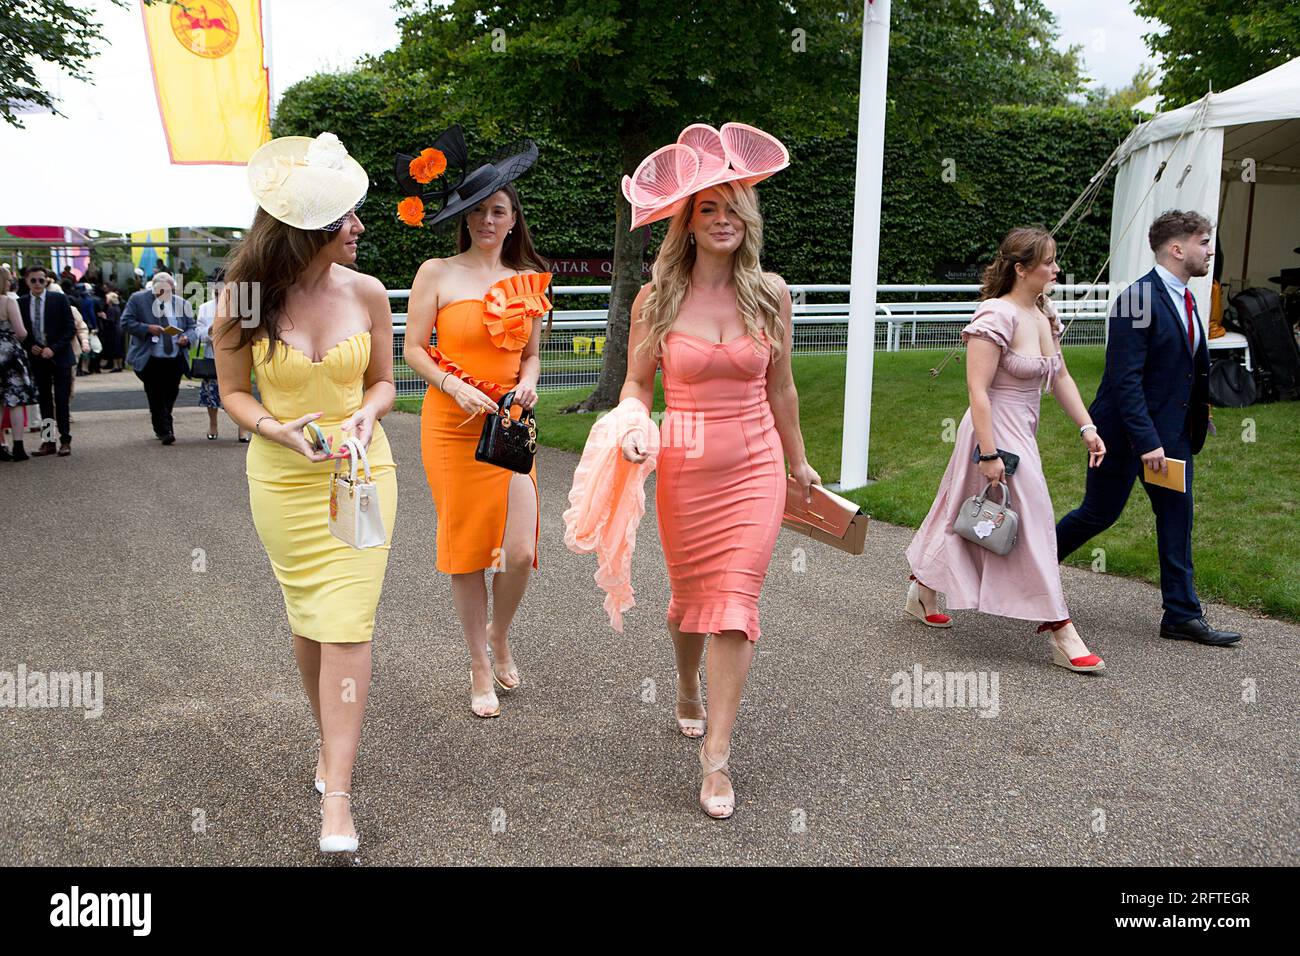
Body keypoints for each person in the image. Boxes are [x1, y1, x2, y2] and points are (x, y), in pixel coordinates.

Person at [618, 122, 817, 819]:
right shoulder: (657, 300)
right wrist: (636, 424)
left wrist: (798, 460)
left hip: (755, 463)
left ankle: (718, 760)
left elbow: (782, 388)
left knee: (736, 607)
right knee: (686, 606)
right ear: (688, 223)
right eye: (709, 207)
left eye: (735, 206)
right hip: (686, 466)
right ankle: (685, 680)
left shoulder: (771, 294)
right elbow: (638, 385)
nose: (725, 218)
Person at [214, 131, 397, 854]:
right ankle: (329, 742)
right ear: (310, 230)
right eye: (347, 217)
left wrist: (368, 411)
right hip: (283, 481)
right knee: (309, 619)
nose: (359, 227)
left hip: (360, 475)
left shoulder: (370, 292)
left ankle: (339, 799)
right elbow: (231, 393)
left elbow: (384, 380)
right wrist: (273, 426)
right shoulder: (245, 297)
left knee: (348, 621)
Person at [905, 227, 1109, 673]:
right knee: (1033, 519)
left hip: (1023, 430)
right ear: (1021, 268)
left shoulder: (1043, 314)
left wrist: (1087, 427)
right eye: (1048, 262)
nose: (1056, 269)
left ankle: (922, 587)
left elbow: (1061, 377)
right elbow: (978, 392)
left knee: (961, 511)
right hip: (991, 430)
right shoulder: (995, 315)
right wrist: (989, 454)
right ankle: (1060, 628)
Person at [399, 127, 551, 719]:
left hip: (509, 426)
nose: (489, 221)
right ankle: (478, 661)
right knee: (465, 551)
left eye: (499, 211)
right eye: (479, 212)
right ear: (464, 219)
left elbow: (533, 353)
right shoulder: (435, 272)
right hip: (450, 424)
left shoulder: (531, 282)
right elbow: (412, 347)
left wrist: (531, 380)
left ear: (513, 219)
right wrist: (453, 384)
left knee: (518, 552)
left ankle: (501, 632)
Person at [1056, 211, 1242, 647]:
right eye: (1203, 241)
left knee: (1177, 519)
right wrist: (1148, 442)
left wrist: (1196, 413)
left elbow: (1183, 368)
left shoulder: (1189, 297)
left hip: (1173, 434)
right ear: (1177, 249)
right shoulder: (1138, 299)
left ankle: (1181, 615)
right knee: (1098, 514)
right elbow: (1125, 380)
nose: (1210, 250)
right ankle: (1027, 575)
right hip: (1123, 435)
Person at [121, 272, 196, 445]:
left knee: (171, 393)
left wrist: (187, 338)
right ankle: (165, 430)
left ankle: (163, 422)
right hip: (151, 358)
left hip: (174, 356)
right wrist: (147, 328)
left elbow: (192, 327)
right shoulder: (138, 300)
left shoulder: (182, 304)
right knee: (155, 394)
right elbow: (125, 322)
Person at [17, 265, 75, 457]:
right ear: (26, 281)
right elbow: (19, 332)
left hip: (60, 357)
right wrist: (30, 345)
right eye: (33, 280)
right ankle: (48, 441)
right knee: (44, 401)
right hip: (38, 358)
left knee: (61, 399)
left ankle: (65, 440)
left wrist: (54, 348)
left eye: (41, 280)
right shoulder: (22, 303)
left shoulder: (59, 299)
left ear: (47, 281)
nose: (37, 284)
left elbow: (69, 328)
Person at [195, 269, 250, 442]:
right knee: (211, 394)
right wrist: (209, 332)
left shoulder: (239, 307)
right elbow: (198, 332)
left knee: (240, 392)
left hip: (236, 356)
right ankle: (213, 424)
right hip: (213, 356)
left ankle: (242, 429)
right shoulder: (205, 308)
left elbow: (247, 329)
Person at [0, 268, 38, 461]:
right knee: (14, 401)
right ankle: (18, 446)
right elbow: (21, 331)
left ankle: (0, 445)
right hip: (9, 353)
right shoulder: (8, 302)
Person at [100, 291, 124, 372]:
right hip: (119, 329)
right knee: (119, 347)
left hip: (113, 330)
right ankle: (120, 365)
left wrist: (103, 317)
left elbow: (111, 321)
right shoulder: (117, 307)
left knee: (114, 347)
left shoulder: (111, 308)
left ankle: (115, 366)